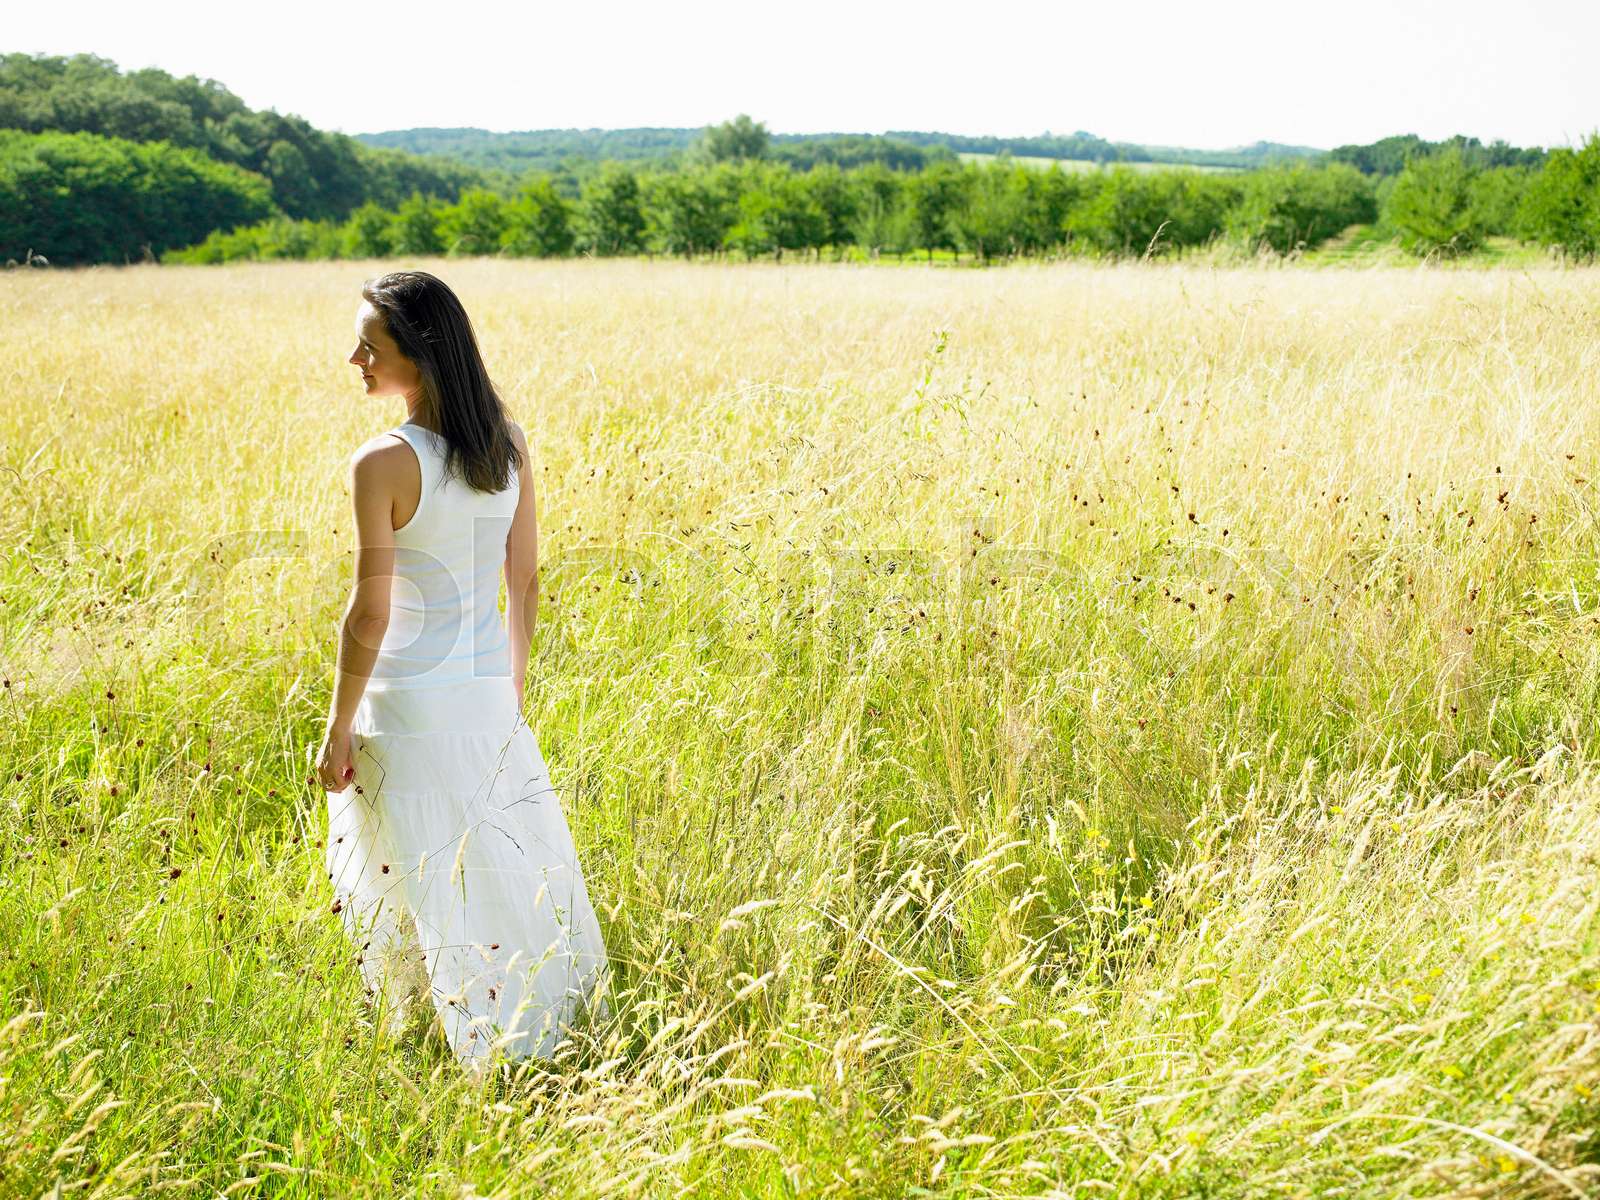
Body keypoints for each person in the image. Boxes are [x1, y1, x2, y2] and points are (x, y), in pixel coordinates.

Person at [313, 270, 609, 1080]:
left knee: (409, 878)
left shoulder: (382, 462)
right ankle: (539, 1029)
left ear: (421, 354)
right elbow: (527, 580)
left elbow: (369, 614)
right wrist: (510, 685)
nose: (354, 359)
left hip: (403, 708)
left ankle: (442, 1041)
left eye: (370, 347)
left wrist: (337, 724)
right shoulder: (505, 445)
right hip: (485, 700)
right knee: (501, 867)